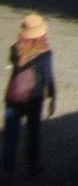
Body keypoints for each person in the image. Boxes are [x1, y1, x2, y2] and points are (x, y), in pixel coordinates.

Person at [2, 14, 55, 179]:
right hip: (34, 98)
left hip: (13, 96)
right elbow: (47, 77)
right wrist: (52, 95)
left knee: (11, 133)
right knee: (33, 133)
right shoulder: (45, 53)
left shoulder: (15, 49)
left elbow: (15, 65)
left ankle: (8, 168)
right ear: (41, 33)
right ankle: (32, 168)